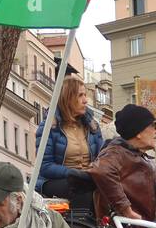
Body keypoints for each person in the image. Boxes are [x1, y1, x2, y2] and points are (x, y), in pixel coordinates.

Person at [36, 73, 106, 214]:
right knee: (80, 186)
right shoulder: (50, 127)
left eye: (85, 95)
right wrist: (72, 173)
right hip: (55, 181)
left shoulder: (92, 127)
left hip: (87, 178)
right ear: (67, 98)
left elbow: (102, 157)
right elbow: (44, 167)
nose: (85, 100)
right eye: (80, 96)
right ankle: (82, 226)